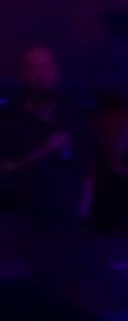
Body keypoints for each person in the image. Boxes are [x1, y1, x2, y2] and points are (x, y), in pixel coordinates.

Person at [0, 46, 89, 229]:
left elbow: (91, 163)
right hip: (20, 219)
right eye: (33, 68)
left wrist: (84, 211)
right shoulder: (7, 117)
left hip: (68, 220)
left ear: (56, 71)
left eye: (46, 67)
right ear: (22, 73)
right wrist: (43, 152)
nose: (40, 74)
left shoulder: (73, 112)